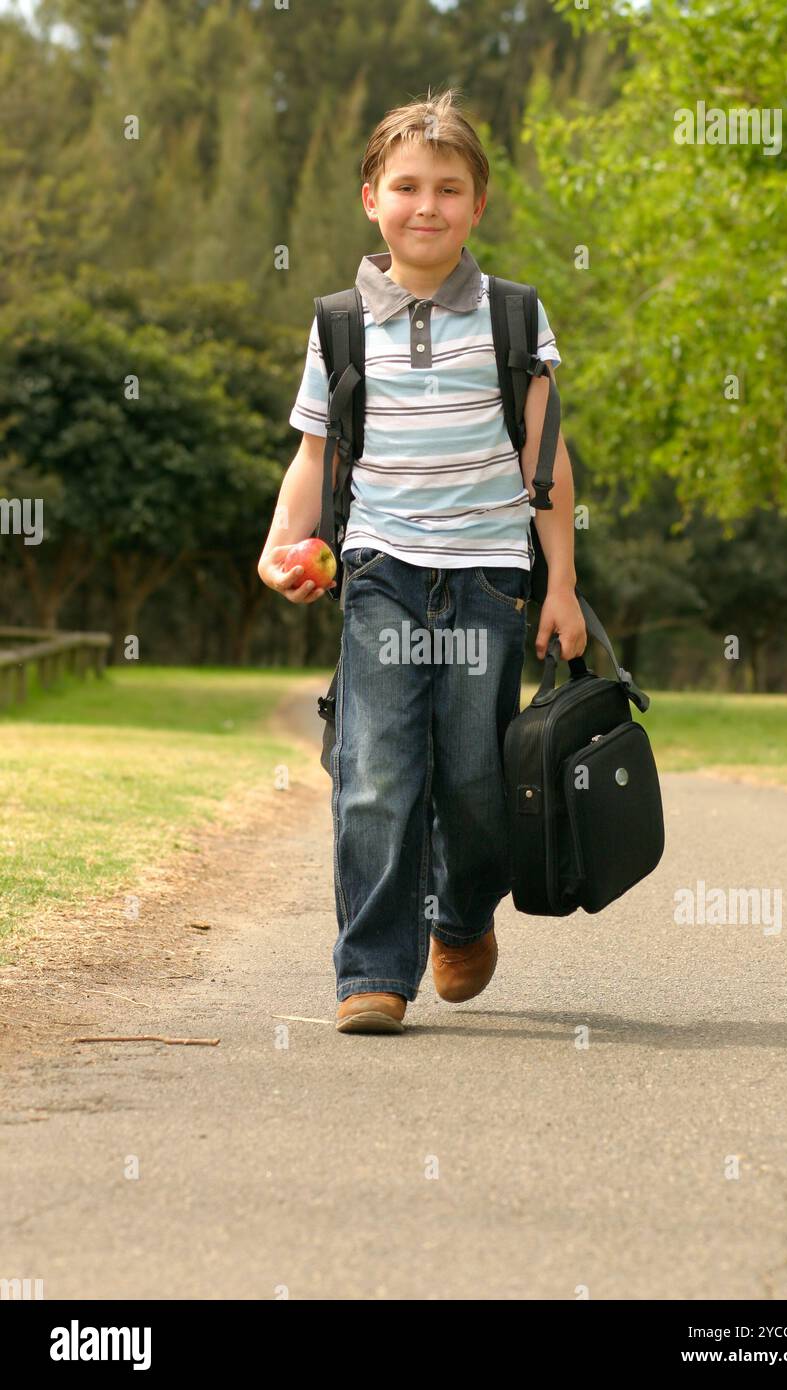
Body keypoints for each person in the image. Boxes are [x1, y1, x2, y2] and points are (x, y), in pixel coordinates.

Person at [258, 88, 586, 1034]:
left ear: (478, 206)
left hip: (489, 577)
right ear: (372, 198)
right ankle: (372, 972)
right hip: (380, 574)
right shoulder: (337, 324)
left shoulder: (516, 318)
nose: (427, 205)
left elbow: (548, 462)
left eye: (449, 188)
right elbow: (315, 459)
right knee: (374, 773)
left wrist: (561, 585)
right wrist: (280, 549)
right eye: (406, 186)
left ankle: (462, 913)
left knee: (479, 782)